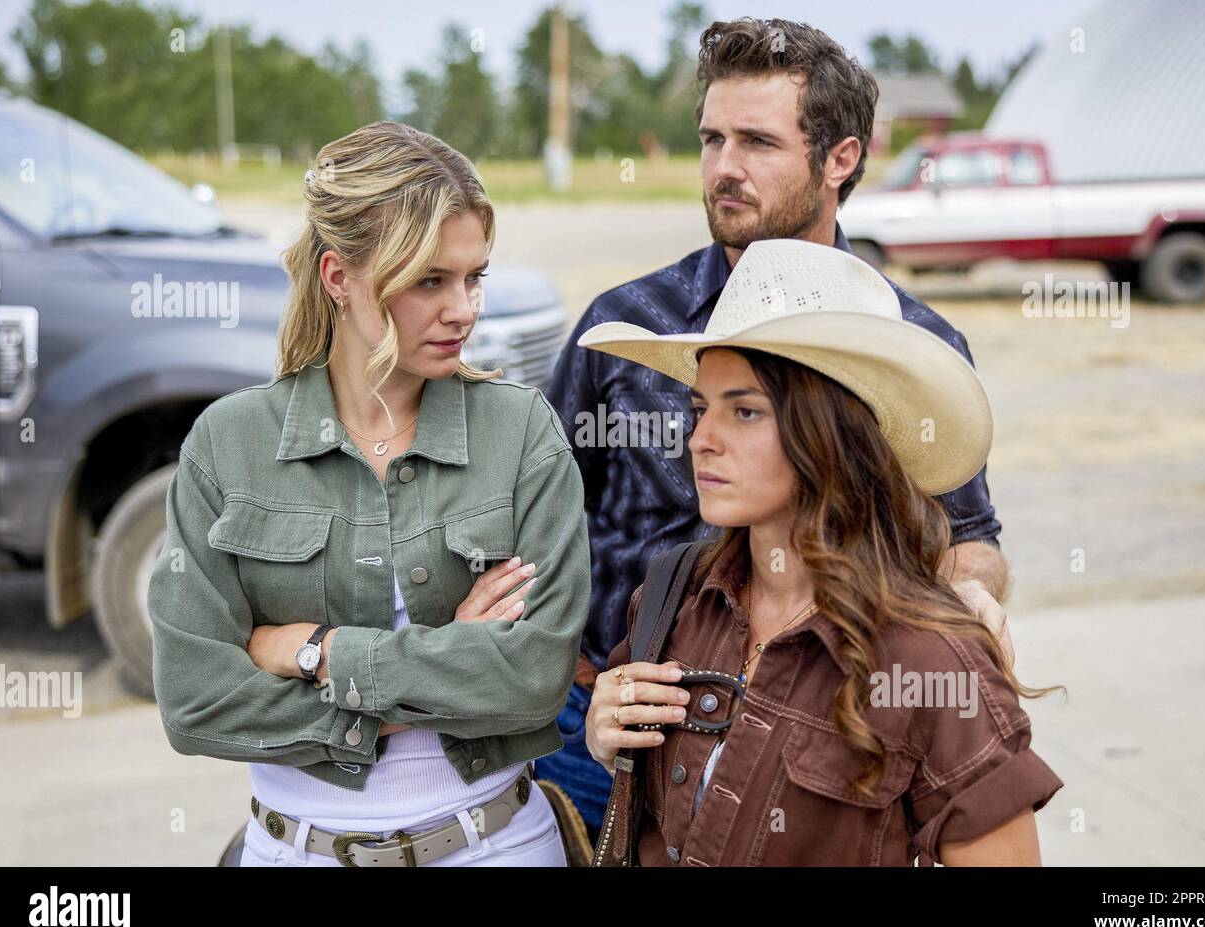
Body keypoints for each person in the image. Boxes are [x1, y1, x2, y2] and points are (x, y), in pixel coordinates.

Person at [536, 16, 1012, 845]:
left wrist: (969, 599)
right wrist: (572, 682)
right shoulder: (627, 324)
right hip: (612, 726)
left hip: (820, 739)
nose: (723, 168)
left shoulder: (913, 352)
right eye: (711, 138)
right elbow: (539, 521)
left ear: (841, 159)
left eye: (756, 141)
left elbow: (965, 535)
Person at [147, 121, 590, 867]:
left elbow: (532, 680)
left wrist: (316, 651)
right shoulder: (228, 444)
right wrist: (445, 665)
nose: (465, 310)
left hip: (498, 848)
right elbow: (194, 701)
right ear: (338, 279)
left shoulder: (521, 434)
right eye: (429, 281)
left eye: (474, 276)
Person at [581, 238, 1063, 865]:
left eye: (745, 412)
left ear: (831, 435)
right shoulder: (673, 600)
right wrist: (605, 738)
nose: (700, 439)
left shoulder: (932, 660)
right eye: (700, 409)